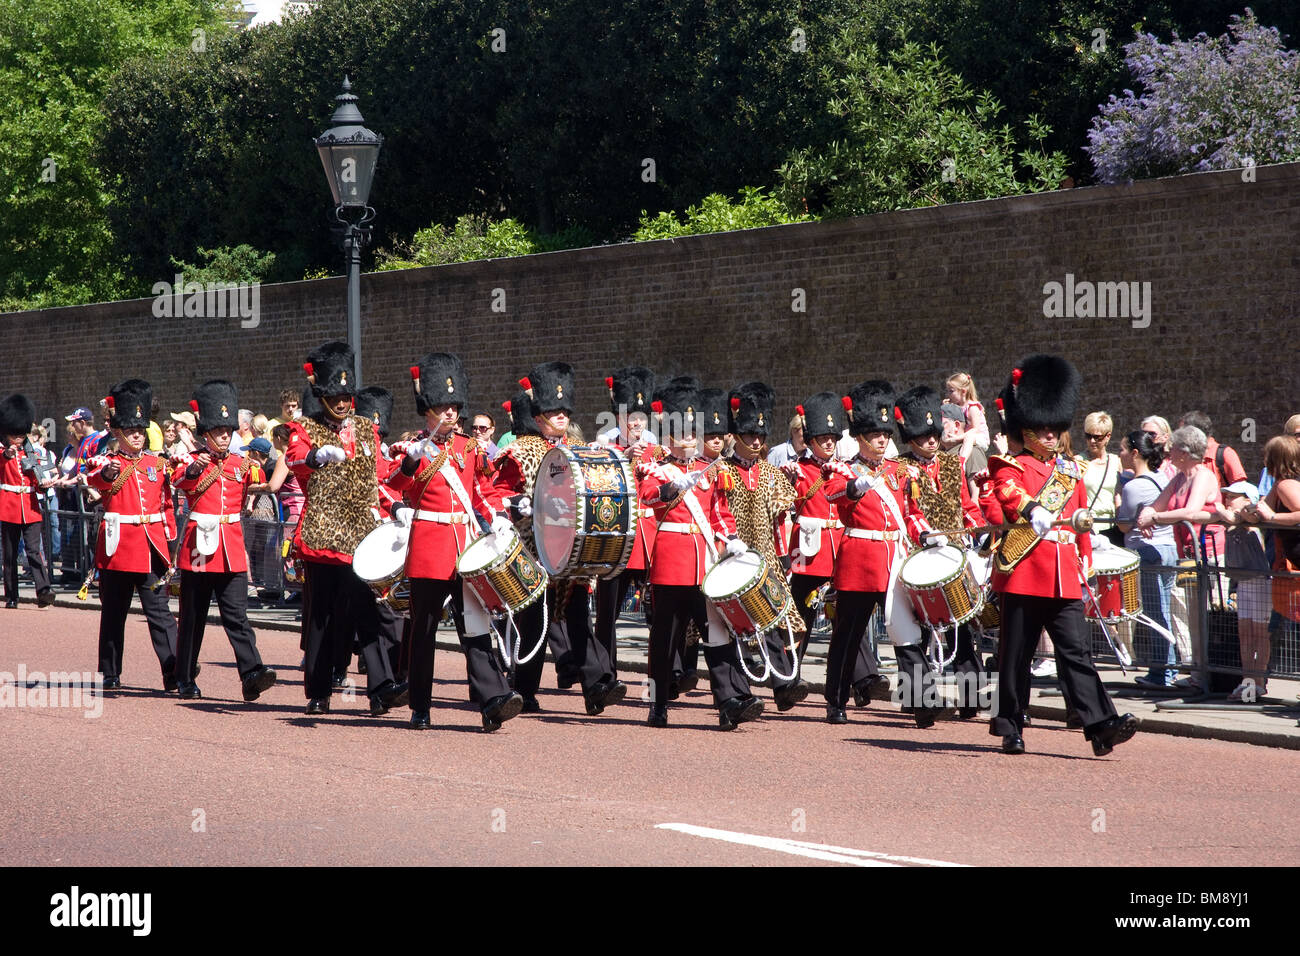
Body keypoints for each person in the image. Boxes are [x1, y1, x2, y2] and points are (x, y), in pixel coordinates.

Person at [986, 354, 1138, 756]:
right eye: (1042, 429)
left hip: (1064, 571)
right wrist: (1032, 509)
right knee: (1015, 656)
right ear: (1028, 430)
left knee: (1076, 652)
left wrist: (1086, 554)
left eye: (1055, 429)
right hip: (1024, 570)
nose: (1051, 435)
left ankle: (1100, 724)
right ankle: (1011, 724)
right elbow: (1007, 492)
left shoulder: (1071, 472)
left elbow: (1081, 519)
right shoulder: (1009, 464)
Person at [384, 354, 523, 731]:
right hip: (429, 547)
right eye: (441, 406)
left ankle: (492, 698)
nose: (449, 413)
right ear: (427, 410)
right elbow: (394, 484)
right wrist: (411, 462)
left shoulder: (469, 446)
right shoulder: (410, 447)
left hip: (464, 545)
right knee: (424, 629)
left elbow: (483, 491)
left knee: (475, 625)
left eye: (453, 406)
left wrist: (497, 516)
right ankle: (420, 705)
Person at [490, 362, 624, 715]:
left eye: (564, 410)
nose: (560, 415)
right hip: (534, 550)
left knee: (578, 613)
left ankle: (596, 684)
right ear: (538, 416)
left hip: (573, 549)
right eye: (552, 410)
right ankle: (524, 688)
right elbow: (496, 494)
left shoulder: (580, 448)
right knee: (536, 619)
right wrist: (513, 505)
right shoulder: (519, 451)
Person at [286, 341, 408, 716]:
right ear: (321, 394)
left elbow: (379, 478)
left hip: (359, 536)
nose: (341, 402)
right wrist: (315, 457)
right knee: (321, 617)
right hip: (323, 534)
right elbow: (295, 460)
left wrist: (406, 474)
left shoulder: (365, 429)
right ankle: (319, 691)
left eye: (346, 395)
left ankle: (381, 688)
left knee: (366, 611)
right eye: (334, 395)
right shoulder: (303, 428)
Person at [637, 378, 761, 729]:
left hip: (705, 562)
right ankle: (657, 703)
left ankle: (729, 702)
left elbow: (719, 512)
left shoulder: (712, 471)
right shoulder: (656, 467)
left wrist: (731, 538)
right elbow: (648, 496)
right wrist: (672, 487)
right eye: (685, 433)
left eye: (695, 432)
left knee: (718, 633)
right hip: (672, 563)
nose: (692, 439)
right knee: (665, 638)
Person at [818, 381, 924, 723]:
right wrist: (854, 487)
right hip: (859, 561)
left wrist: (925, 534)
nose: (882, 439)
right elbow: (833, 495)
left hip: (893, 558)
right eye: (875, 434)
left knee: (905, 631)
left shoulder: (900, 472)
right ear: (861, 436)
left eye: (885, 434)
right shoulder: (843, 468)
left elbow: (912, 513)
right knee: (848, 635)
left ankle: (921, 701)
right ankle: (836, 700)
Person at [170, 381, 277, 703]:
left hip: (230, 547)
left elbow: (260, 484)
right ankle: (185, 675)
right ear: (206, 434)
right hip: (200, 547)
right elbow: (178, 482)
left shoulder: (242, 465)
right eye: (218, 432)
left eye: (227, 432)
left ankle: (251, 673)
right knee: (193, 617)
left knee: (237, 615)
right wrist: (193, 469)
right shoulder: (190, 461)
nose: (224, 437)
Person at [895, 384, 986, 721]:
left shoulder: (950, 466)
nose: (932, 440)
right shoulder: (899, 468)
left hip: (953, 554)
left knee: (961, 629)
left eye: (934, 434)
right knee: (914, 633)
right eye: (924, 435)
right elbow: (902, 510)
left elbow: (966, 507)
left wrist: (978, 532)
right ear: (910, 436)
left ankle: (971, 697)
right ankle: (917, 701)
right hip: (917, 556)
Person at [718, 381, 809, 712]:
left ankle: (784, 685)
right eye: (749, 436)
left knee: (772, 620)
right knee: (735, 629)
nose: (756, 441)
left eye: (759, 436)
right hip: (731, 557)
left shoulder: (771, 471)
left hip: (766, 557)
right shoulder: (723, 471)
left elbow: (786, 506)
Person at [83, 379, 178, 690]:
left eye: (141, 428)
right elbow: (97, 477)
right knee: (113, 615)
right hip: (118, 550)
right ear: (118, 431)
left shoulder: (156, 464)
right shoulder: (107, 462)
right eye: (131, 429)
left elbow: (166, 505)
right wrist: (107, 473)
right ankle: (110, 672)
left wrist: (170, 544)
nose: (138, 434)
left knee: (160, 615)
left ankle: (175, 669)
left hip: (150, 550)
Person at [593, 366, 657, 683]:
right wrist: (622, 455)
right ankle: (605, 675)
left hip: (649, 540)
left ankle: (666, 673)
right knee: (608, 612)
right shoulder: (604, 445)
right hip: (617, 539)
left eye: (641, 418)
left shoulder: (657, 448)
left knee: (659, 610)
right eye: (630, 416)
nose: (636, 423)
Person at [1115, 430, 1178, 688]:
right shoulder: (1162, 477)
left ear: (1135, 453)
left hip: (1148, 552)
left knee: (1155, 614)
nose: (1119, 454)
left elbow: (1122, 525)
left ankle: (1161, 673)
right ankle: (1166, 670)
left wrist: (1119, 498)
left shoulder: (1132, 487)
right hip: (1169, 548)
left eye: (1122, 449)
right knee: (1163, 612)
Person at [1214, 480, 1272, 700]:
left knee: (1260, 635)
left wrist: (1234, 514)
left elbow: (1250, 518)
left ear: (1247, 499)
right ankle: (1247, 682)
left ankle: (1258, 682)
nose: (1227, 500)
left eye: (1233, 496)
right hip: (1243, 582)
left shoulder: (1253, 515)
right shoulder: (1230, 516)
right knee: (1245, 634)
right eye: (1226, 496)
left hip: (1260, 581)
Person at [1, 394, 57, 608]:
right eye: (15, 434)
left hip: (30, 506)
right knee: (10, 554)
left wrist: (43, 484)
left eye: (21, 433)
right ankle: (12, 596)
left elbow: (37, 476)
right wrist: (7, 454)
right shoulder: (2, 451)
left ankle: (43, 590)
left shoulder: (31, 452)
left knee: (34, 550)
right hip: (8, 506)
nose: (18, 437)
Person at [1079, 411, 1122, 545]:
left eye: (1097, 437)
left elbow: (1119, 496)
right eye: (1088, 436)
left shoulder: (1117, 462)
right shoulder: (1078, 462)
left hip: (1113, 526)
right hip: (1089, 526)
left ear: (1108, 436)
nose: (1092, 441)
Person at [944, 371, 989, 461]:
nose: (948, 394)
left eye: (951, 391)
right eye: (948, 391)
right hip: (966, 437)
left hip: (979, 438)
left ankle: (962, 460)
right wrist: (946, 407)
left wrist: (958, 438)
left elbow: (975, 429)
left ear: (963, 391)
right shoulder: (958, 406)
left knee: (969, 438)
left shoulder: (972, 408)